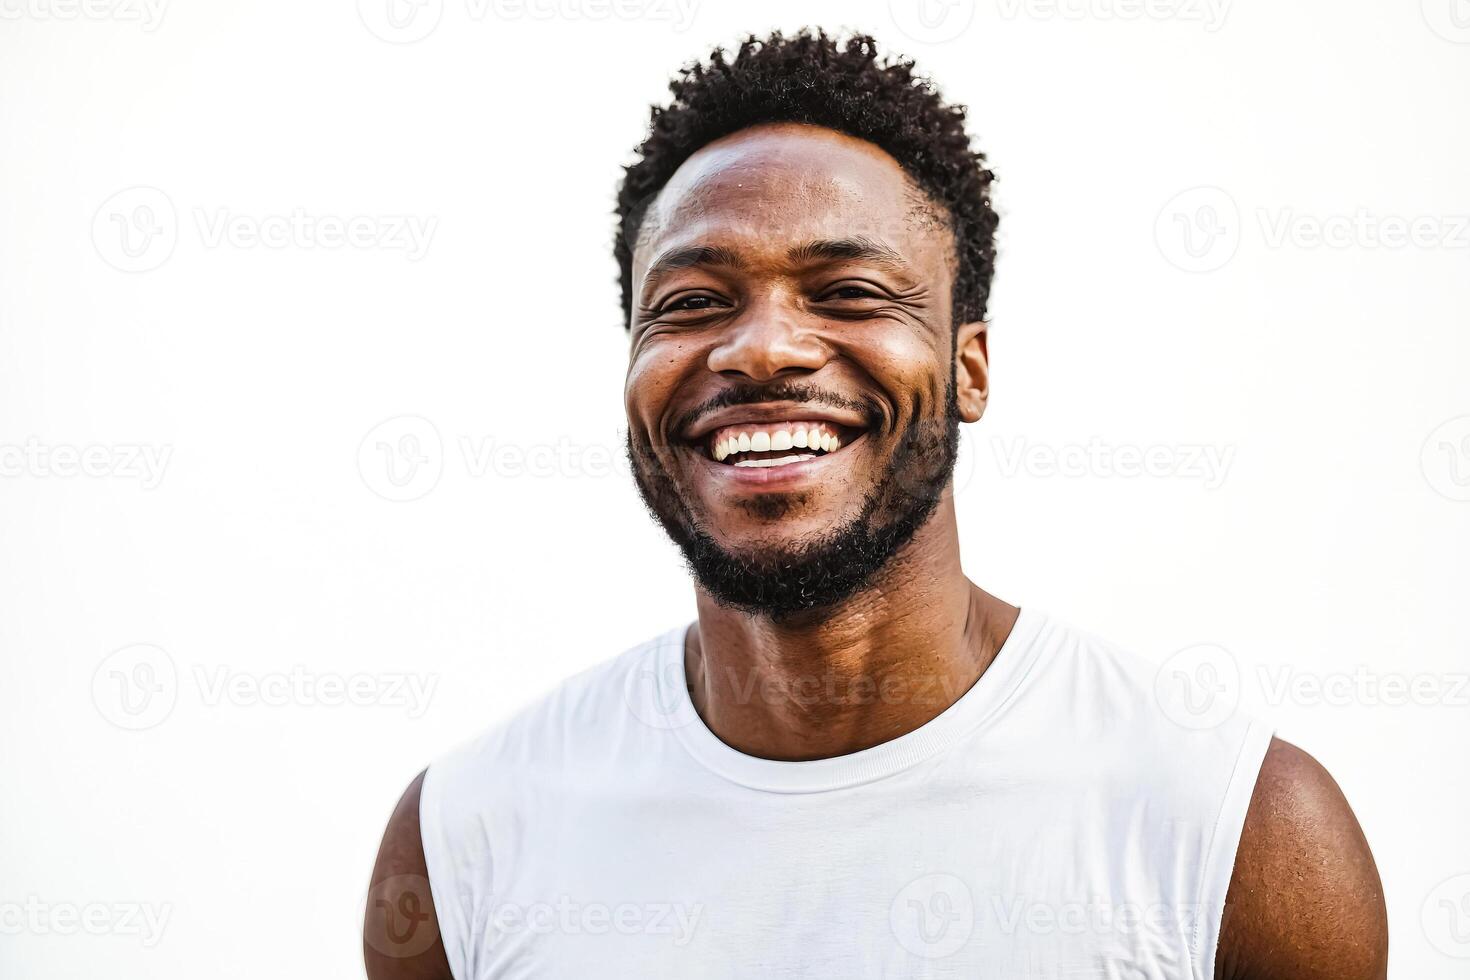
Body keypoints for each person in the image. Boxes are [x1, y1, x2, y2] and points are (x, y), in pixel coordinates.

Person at [365, 29, 1387, 979]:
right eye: (689, 303)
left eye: (850, 291)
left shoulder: (1233, 834)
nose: (760, 348)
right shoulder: (465, 842)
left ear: (970, 366)